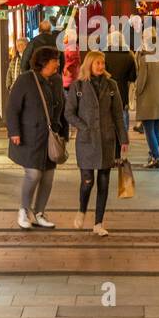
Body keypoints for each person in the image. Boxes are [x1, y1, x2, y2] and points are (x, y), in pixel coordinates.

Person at [65, 51, 128, 236]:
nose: (101, 66)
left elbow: (118, 114)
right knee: (87, 181)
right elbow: (69, 113)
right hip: (86, 141)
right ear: (89, 64)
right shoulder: (78, 86)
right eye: (97, 63)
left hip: (107, 140)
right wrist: (83, 126)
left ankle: (98, 223)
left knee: (103, 182)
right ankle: (82, 210)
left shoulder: (111, 86)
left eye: (103, 63)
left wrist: (123, 139)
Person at [7, 45, 65, 229]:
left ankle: (39, 212)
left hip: (50, 137)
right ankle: (24, 210)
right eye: (55, 60)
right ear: (44, 62)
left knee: (48, 176)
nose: (58, 63)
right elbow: (12, 108)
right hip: (29, 136)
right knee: (33, 174)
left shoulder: (56, 80)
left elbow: (61, 107)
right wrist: (14, 131)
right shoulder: (25, 80)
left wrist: (64, 132)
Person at [134, 28, 159, 168]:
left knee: (148, 129)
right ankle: (153, 155)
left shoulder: (145, 60)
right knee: (156, 129)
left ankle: (156, 157)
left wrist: (137, 93)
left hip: (148, 100)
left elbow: (141, 81)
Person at [103, 29, 137, 136]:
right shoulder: (129, 56)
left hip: (106, 89)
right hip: (122, 89)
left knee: (108, 112)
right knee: (123, 113)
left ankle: (111, 135)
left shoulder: (104, 55)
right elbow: (133, 77)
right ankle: (123, 136)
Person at [61, 25, 82, 90]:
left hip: (70, 78)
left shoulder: (71, 48)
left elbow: (74, 62)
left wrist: (67, 70)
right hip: (70, 77)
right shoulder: (71, 46)